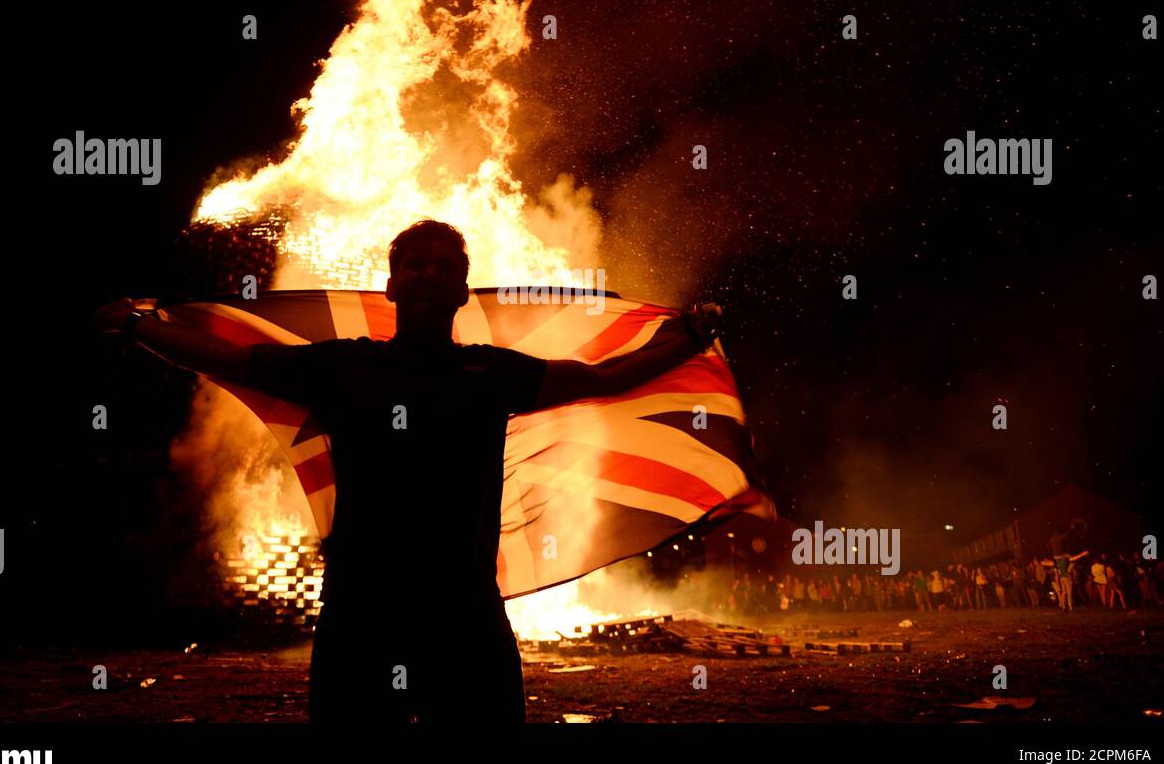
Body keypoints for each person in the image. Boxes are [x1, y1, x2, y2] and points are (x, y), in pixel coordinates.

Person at [94, 219, 725, 723]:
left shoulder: (492, 373)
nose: (428, 275)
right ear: (392, 285)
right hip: (362, 614)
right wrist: (141, 325)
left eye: (444, 268)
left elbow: (604, 377)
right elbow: (230, 358)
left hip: (465, 613)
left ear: (461, 292)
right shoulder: (341, 367)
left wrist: (688, 337)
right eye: (414, 265)